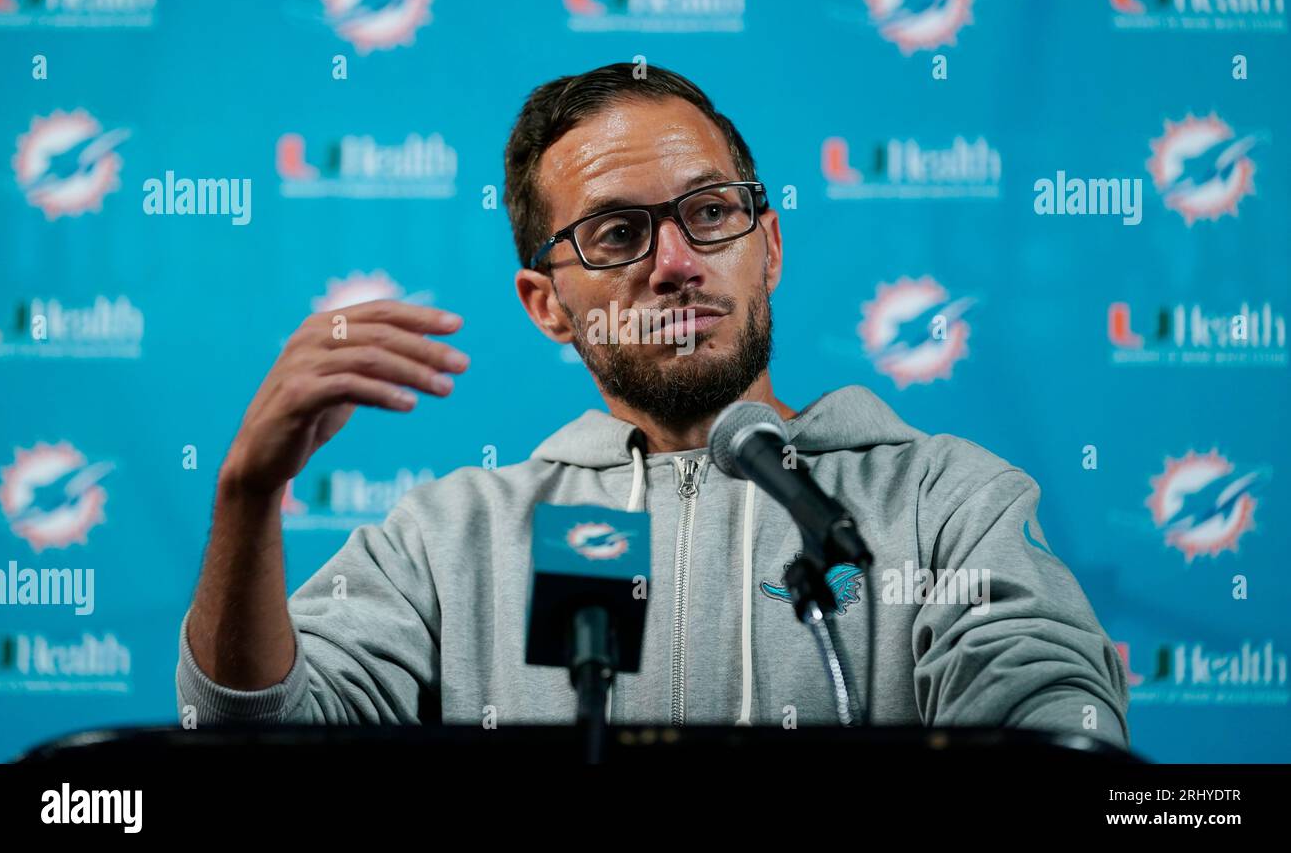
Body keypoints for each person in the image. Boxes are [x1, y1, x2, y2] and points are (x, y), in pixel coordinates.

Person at [176, 63, 1130, 744]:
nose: (676, 264)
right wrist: (248, 498)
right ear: (547, 305)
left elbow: (1047, 717)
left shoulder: (948, 502)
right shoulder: (446, 539)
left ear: (770, 249)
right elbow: (249, 738)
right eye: (618, 233)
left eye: (711, 213)